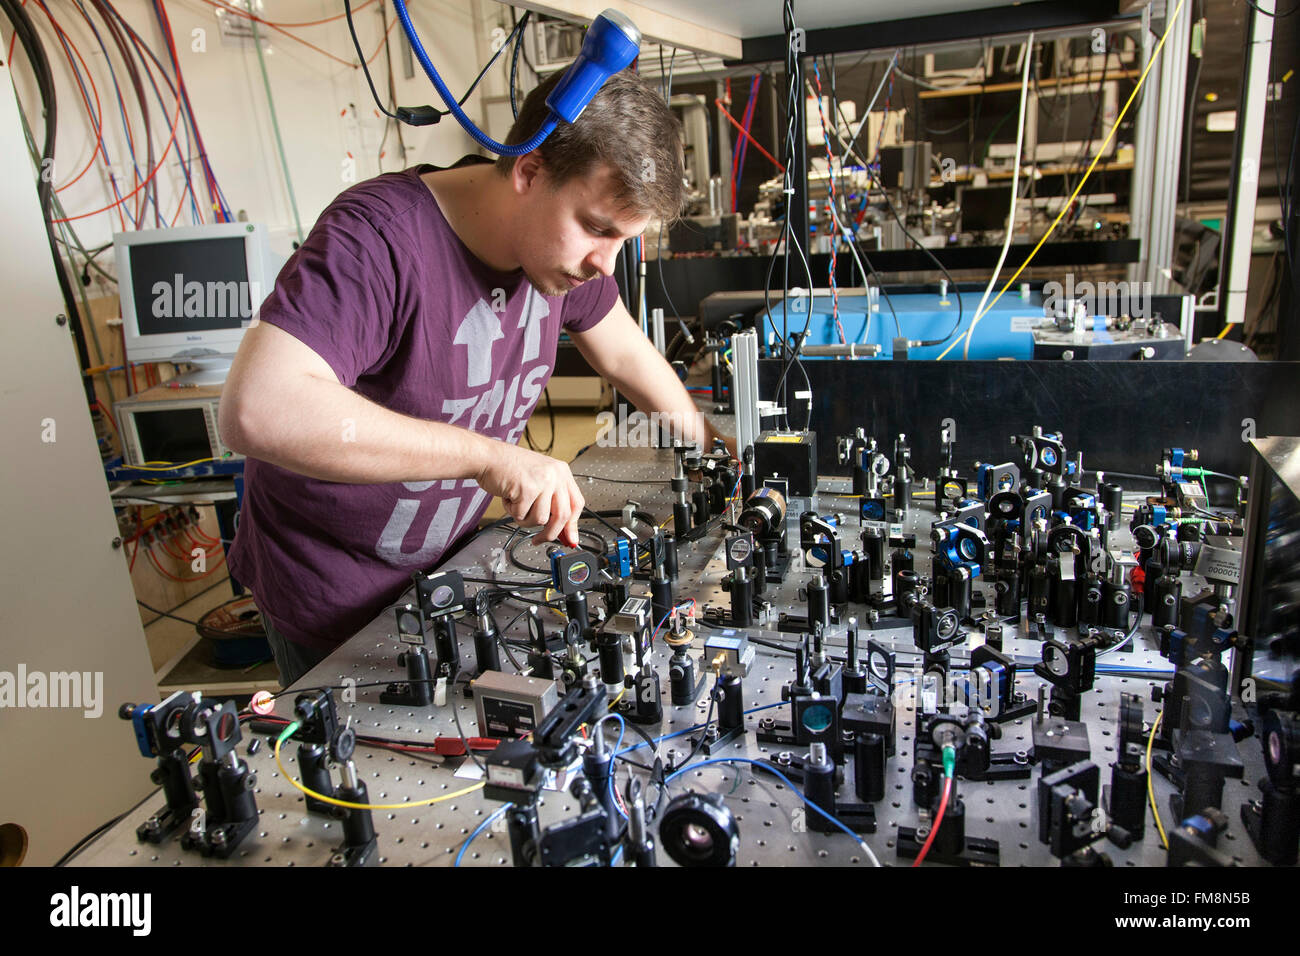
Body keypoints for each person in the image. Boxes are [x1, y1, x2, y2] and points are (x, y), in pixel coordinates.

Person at [219, 69, 730, 686]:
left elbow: (624, 354)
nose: (603, 263)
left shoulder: (553, 253)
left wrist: (711, 449)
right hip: (331, 593)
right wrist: (490, 458)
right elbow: (257, 410)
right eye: (597, 229)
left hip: (443, 568)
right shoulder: (376, 238)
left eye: (623, 241)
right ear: (529, 170)